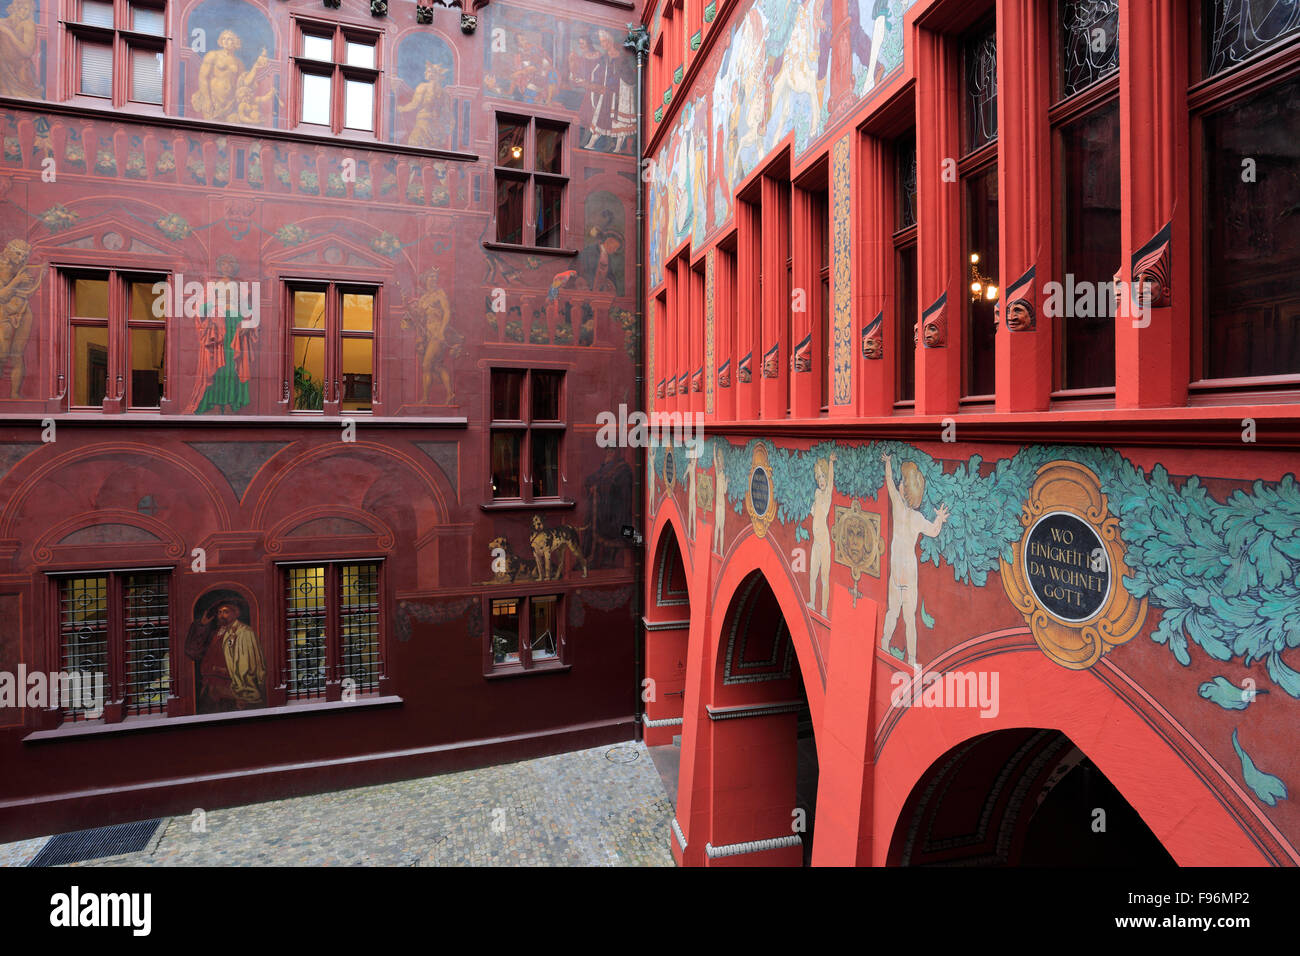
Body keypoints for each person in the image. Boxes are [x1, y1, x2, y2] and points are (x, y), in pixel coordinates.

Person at [880, 453, 949, 667]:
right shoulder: (918, 518)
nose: (900, 484)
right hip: (909, 571)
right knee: (910, 618)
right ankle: (911, 660)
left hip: (896, 569)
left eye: (903, 482)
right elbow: (935, 531)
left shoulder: (898, 509)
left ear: (906, 490)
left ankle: (884, 643)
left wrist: (888, 463)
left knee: (893, 610)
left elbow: (889, 483)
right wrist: (940, 517)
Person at [189, 601, 265, 713]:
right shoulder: (216, 632)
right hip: (210, 686)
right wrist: (202, 626)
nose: (221, 615)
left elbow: (247, 663)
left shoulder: (244, 632)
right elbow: (194, 651)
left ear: (236, 613)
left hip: (229, 687)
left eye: (226, 612)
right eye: (219, 612)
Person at [0, 239, 40, 398]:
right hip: (3, 313)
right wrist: (17, 281)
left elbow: (29, 292)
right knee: (2, 353)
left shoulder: (25, 270)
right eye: (18, 254)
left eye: (25, 255)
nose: (22, 258)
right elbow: (1, 296)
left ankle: (15, 394)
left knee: (17, 354)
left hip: (23, 310)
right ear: (8, 252)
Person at [399, 62, 452, 149]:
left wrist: (401, 109)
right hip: (437, 125)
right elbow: (447, 112)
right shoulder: (445, 93)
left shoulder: (423, 87)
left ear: (433, 74)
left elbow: (414, 104)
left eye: (428, 71)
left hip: (423, 120)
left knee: (414, 145)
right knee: (433, 148)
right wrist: (449, 126)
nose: (425, 73)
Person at [807, 452, 835, 616]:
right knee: (812, 574)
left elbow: (831, 481)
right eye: (819, 477)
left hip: (824, 542)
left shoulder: (826, 494)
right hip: (816, 543)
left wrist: (831, 463)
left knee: (824, 577)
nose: (821, 480)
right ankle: (812, 602)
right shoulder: (817, 494)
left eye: (823, 476)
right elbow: (814, 510)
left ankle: (824, 609)